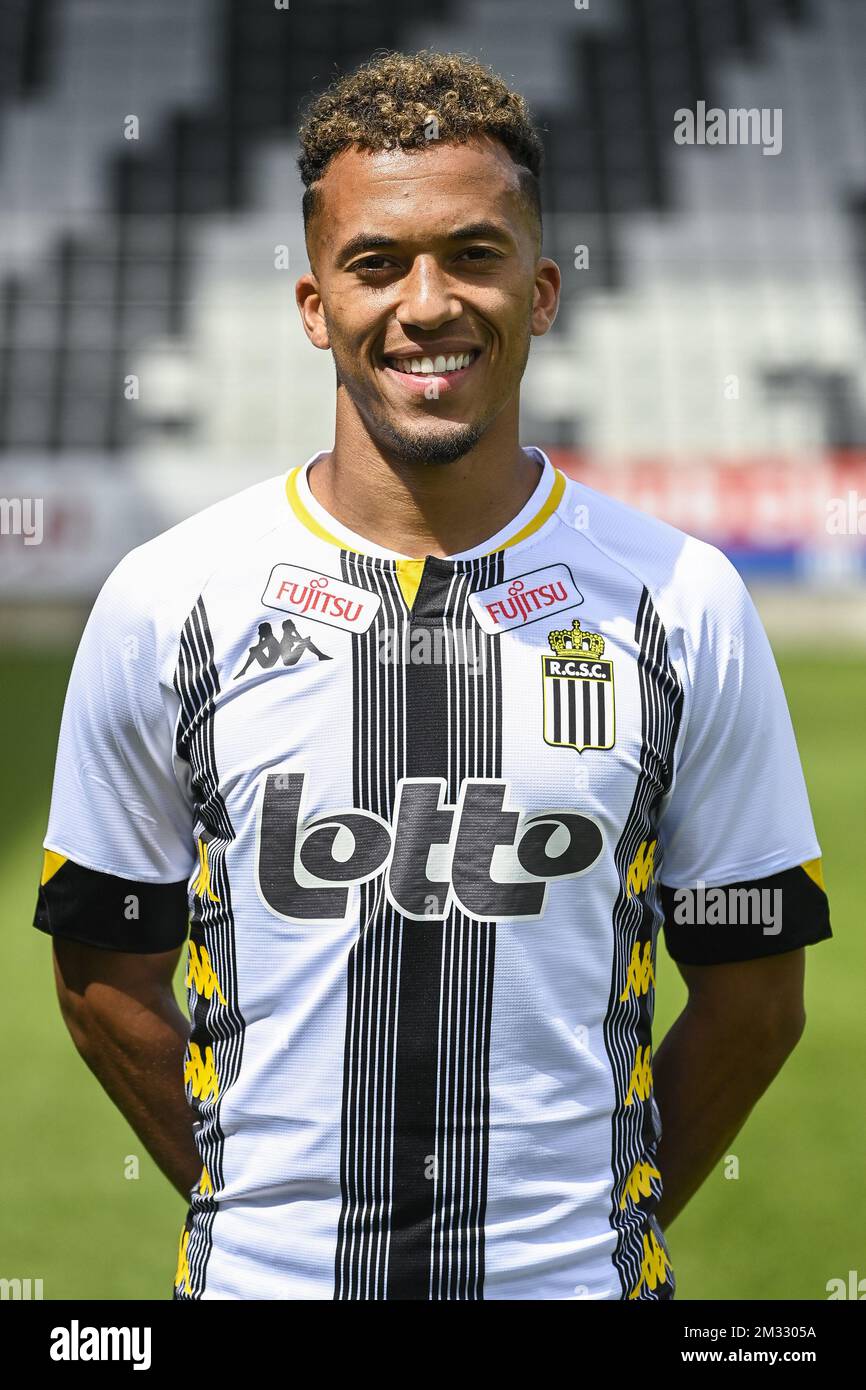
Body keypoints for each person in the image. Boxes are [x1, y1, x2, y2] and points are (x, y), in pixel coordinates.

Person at [33, 50, 831, 1301]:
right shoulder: (168, 599)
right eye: (374, 263)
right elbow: (101, 975)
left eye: (472, 253)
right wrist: (262, 1235)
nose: (425, 303)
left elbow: (754, 995)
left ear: (543, 287)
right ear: (312, 305)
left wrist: (582, 1239)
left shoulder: (679, 600)